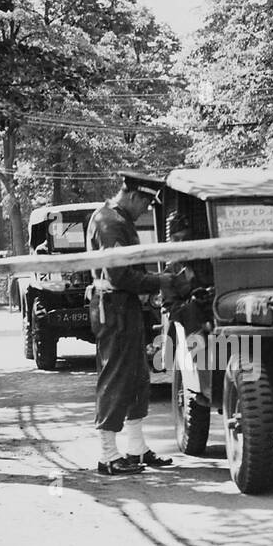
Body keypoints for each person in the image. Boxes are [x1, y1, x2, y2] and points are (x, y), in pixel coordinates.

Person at [86, 172, 193, 476]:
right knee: (117, 378)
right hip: (114, 307)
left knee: (136, 379)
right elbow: (120, 276)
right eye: (146, 204)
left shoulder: (117, 219)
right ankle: (108, 455)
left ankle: (136, 450)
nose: (146, 211)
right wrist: (161, 281)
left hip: (124, 306)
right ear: (135, 197)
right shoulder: (110, 223)